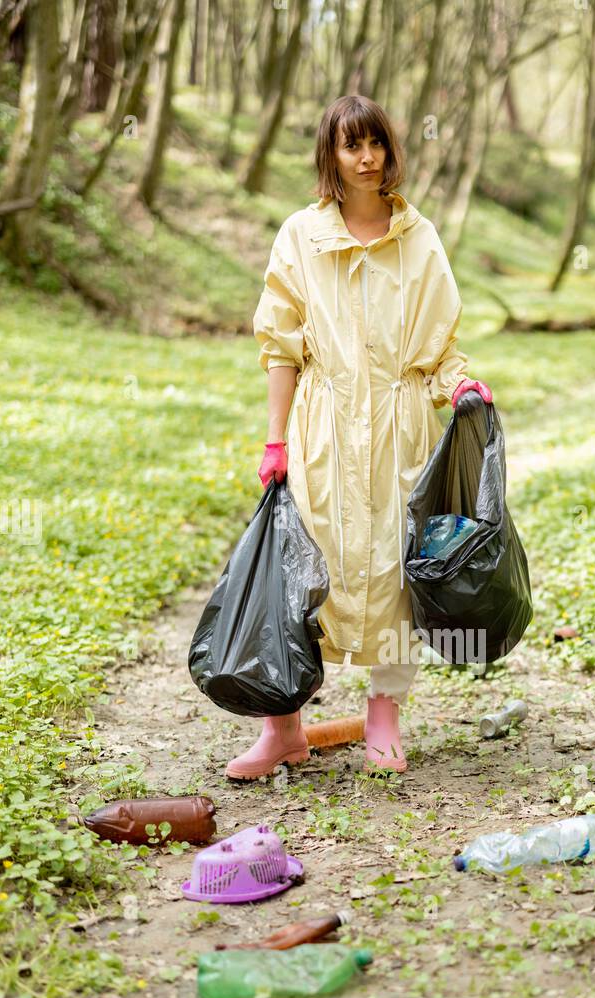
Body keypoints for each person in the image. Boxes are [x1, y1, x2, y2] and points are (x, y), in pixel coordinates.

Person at [225, 94, 492, 779]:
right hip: (322, 427)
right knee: (300, 572)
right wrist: (275, 441)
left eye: (374, 143)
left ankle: (383, 717)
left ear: (389, 150)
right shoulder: (300, 237)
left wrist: (460, 388)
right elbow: (280, 346)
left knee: (394, 566)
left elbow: (438, 347)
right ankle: (281, 726)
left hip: (400, 427)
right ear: (331, 155)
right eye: (351, 146)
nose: (366, 157)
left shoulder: (419, 238)